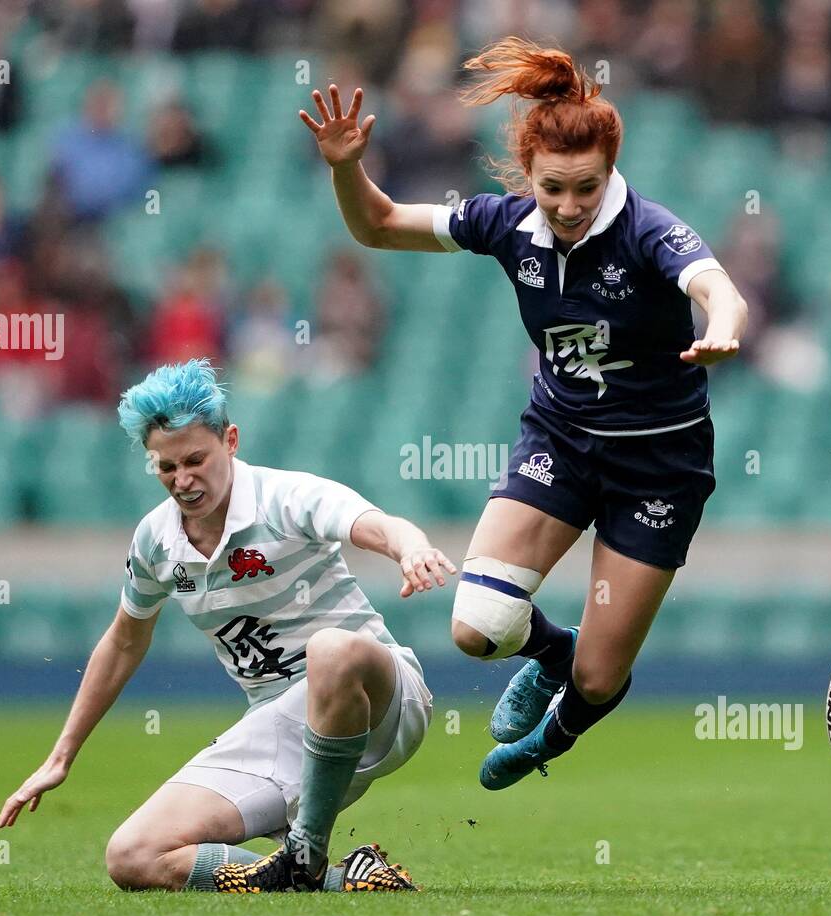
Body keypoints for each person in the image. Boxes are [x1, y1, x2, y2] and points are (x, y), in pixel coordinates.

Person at [300, 37, 747, 790]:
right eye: (553, 189)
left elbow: (715, 284)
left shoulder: (650, 231)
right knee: (477, 628)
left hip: (659, 467)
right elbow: (376, 225)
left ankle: (550, 738)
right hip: (563, 442)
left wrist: (724, 326)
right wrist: (348, 167)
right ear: (529, 174)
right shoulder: (505, 225)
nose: (570, 207)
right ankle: (550, 653)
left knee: (601, 681)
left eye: (586, 188)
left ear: (611, 171)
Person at [0, 359, 457, 892]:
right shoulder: (156, 541)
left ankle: (303, 851)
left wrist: (412, 547)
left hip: (383, 698)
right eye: (166, 468)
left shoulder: (283, 497)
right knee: (132, 855)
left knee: (331, 650)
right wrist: (61, 757)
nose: (183, 480)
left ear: (231, 440)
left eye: (195, 460)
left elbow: (371, 523)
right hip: (280, 724)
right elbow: (124, 641)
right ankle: (334, 877)